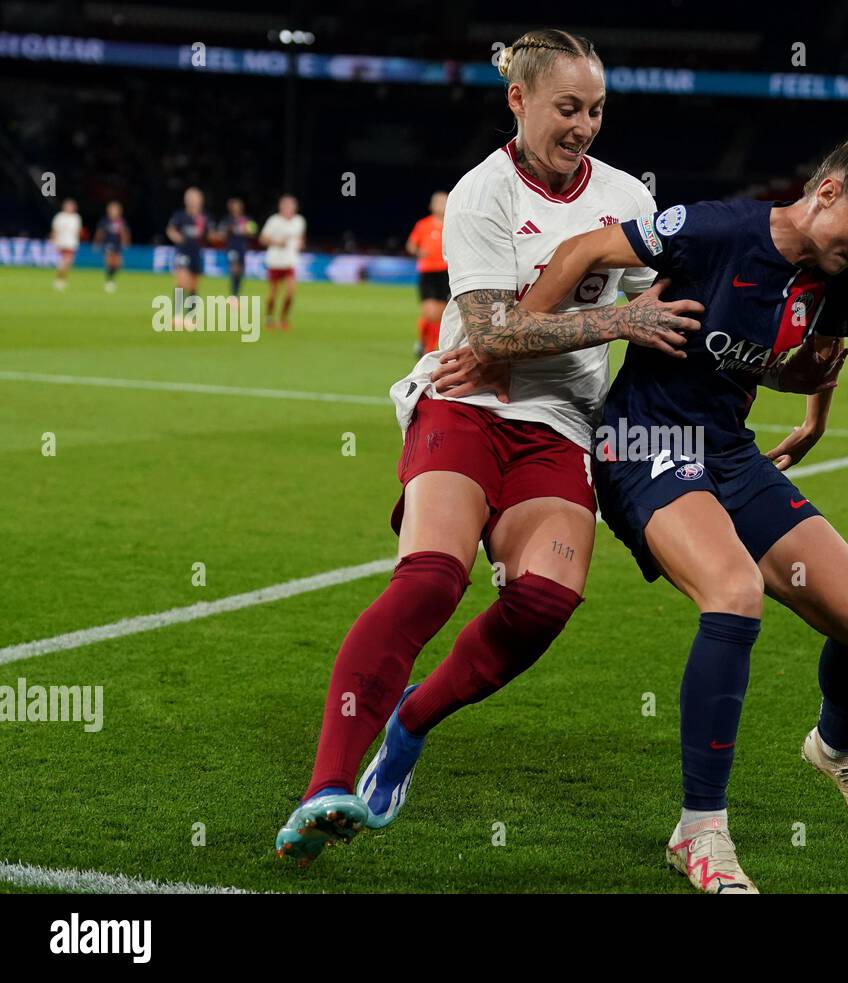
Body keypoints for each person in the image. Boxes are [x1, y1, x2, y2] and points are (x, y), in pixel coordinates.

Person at [275, 28, 703, 868]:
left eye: (597, 110)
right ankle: (326, 785)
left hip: (563, 425)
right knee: (433, 577)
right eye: (567, 108)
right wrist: (616, 319)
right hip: (464, 405)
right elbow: (491, 336)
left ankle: (408, 726)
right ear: (519, 99)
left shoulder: (624, 196)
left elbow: (669, 298)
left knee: (545, 601)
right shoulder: (480, 195)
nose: (583, 126)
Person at [517, 125, 848, 892]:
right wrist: (523, 330)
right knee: (733, 594)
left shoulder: (836, 275)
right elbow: (585, 251)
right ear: (826, 192)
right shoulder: (714, 229)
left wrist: (819, 414)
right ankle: (699, 829)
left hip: (727, 449)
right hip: (643, 439)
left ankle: (834, 748)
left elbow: (815, 358)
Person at [407, 192, 450, 357]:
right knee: (430, 313)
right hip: (428, 273)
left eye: (444, 202)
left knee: (442, 314)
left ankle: (431, 346)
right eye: (438, 202)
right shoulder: (423, 225)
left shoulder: (452, 224)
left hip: (447, 273)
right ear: (432, 206)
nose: (442, 205)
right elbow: (411, 245)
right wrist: (419, 252)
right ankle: (427, 346)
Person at [259, 195, 305, 330]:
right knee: (273, 294)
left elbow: (300, 239)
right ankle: (268, 317)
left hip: (290, 262)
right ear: (281, 207)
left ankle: (283, 319)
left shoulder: (299, 221)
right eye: (285, 206)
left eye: (291, 206)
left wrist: (301, 244)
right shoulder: (274, 221)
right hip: (275, 262)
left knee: (291, 292)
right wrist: (276, 242)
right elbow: (262, 239)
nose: (288, 208)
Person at [165, 187, 210, 324]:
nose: (192, 200)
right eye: (190, 198)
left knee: (193, 286)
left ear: (200, 200)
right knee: (181, 282)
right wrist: (176, 237)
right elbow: (170, 229)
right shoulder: (180, 216)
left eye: (195, 198)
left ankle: (190, 316)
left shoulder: (204, 218)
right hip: (183, 253)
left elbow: (208, 235)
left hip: (197, 253)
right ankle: (177, 315)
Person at [217, 197, 257, 301]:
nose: (236, 208)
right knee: (234, 269)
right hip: (231, 248)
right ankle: (232, 297)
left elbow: (253, 233)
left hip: (242, 249)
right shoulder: (227, 220)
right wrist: (229, 231)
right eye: (234, 206)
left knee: (240, 272)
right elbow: (221, 235)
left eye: (238, 206)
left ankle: (236, 295)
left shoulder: (247, 220)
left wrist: (247, 232)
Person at [93, 201, 130, 292]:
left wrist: (125, 242)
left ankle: (110, 278)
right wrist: (96, 242)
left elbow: (125, 232)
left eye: (116, 209)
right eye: (112, 209)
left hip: (117, 244)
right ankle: (109, 281)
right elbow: (100, 232)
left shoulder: (121, 221)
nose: (114, 211)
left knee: (118, 264)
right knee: (110, 261)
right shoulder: (105, 220)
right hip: (107, 243)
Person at [50, 198, 82, 291]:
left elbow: (77, 231)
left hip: (71, 243)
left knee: (67, 263)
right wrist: (53, 240)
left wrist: (77, 241)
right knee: (65, 262)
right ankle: (59, 280)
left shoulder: (76, 218)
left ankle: (60, 280)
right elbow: (54, 229)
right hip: (61, 242)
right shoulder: (60, 217)